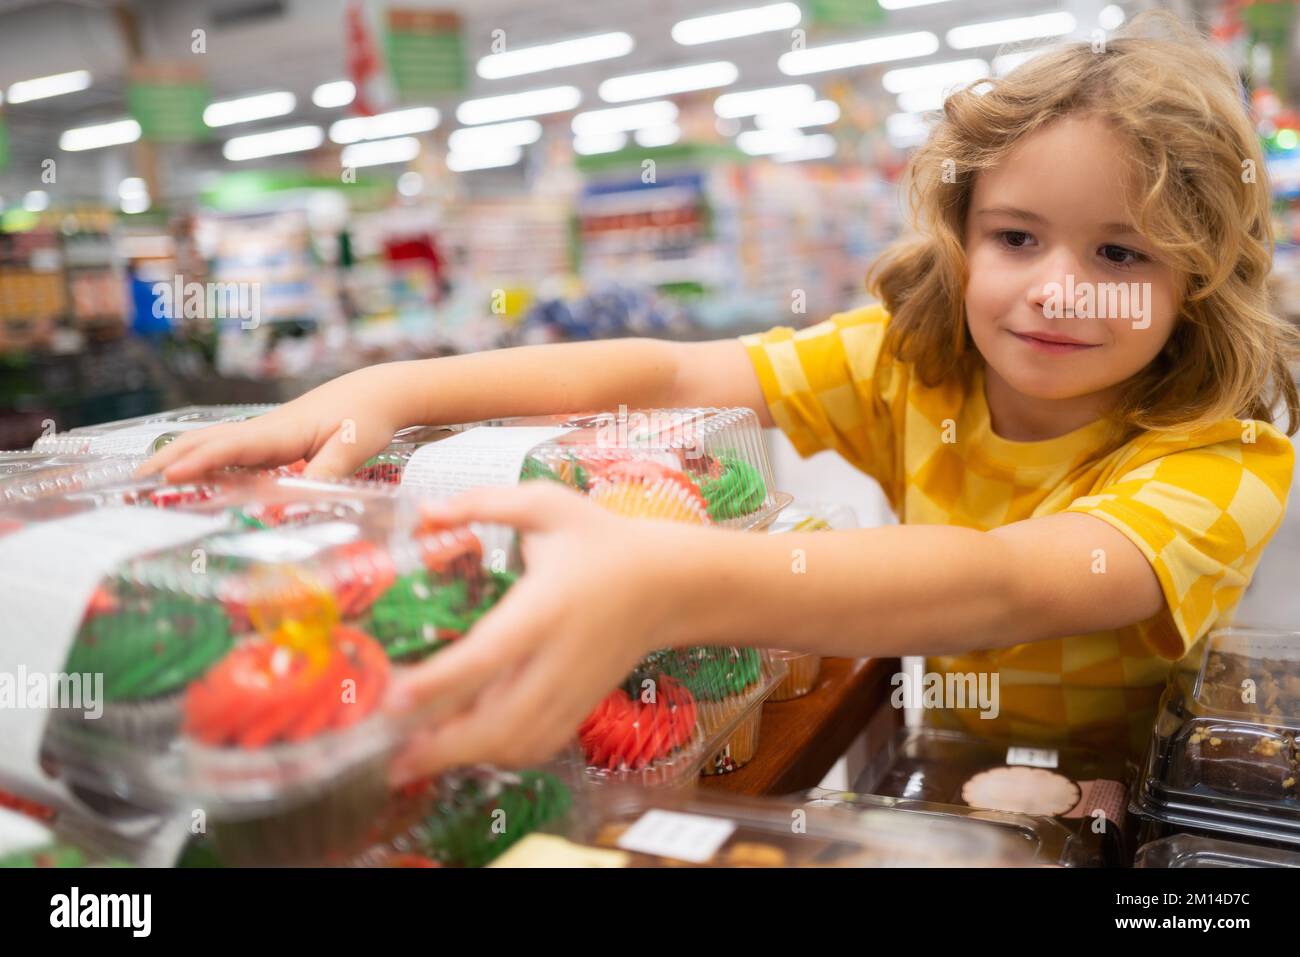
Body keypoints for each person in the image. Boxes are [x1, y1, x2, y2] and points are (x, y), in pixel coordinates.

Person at [140, 13, 1297, 781]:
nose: (1056, 291)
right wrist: (391, 386)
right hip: (929, 745)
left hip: (1125, 793)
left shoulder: (1224, 461)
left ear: (1195, 284)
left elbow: (1003, 585)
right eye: (1015, 236)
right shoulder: (911, 363)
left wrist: (671, 581)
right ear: (959, 239)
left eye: (1120, 257)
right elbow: (667, 370)